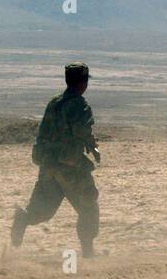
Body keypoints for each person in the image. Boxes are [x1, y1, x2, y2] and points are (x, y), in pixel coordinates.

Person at [10, 63, 100, 257]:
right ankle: (88, 253)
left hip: (48, 164)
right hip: (70, 167)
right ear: (82, 83)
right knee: (88, 206)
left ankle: (24, 218)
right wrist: (91, 144)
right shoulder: (79, 104)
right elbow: (82, 130)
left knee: (42, 209)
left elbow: (43, 132)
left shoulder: (54, 103)